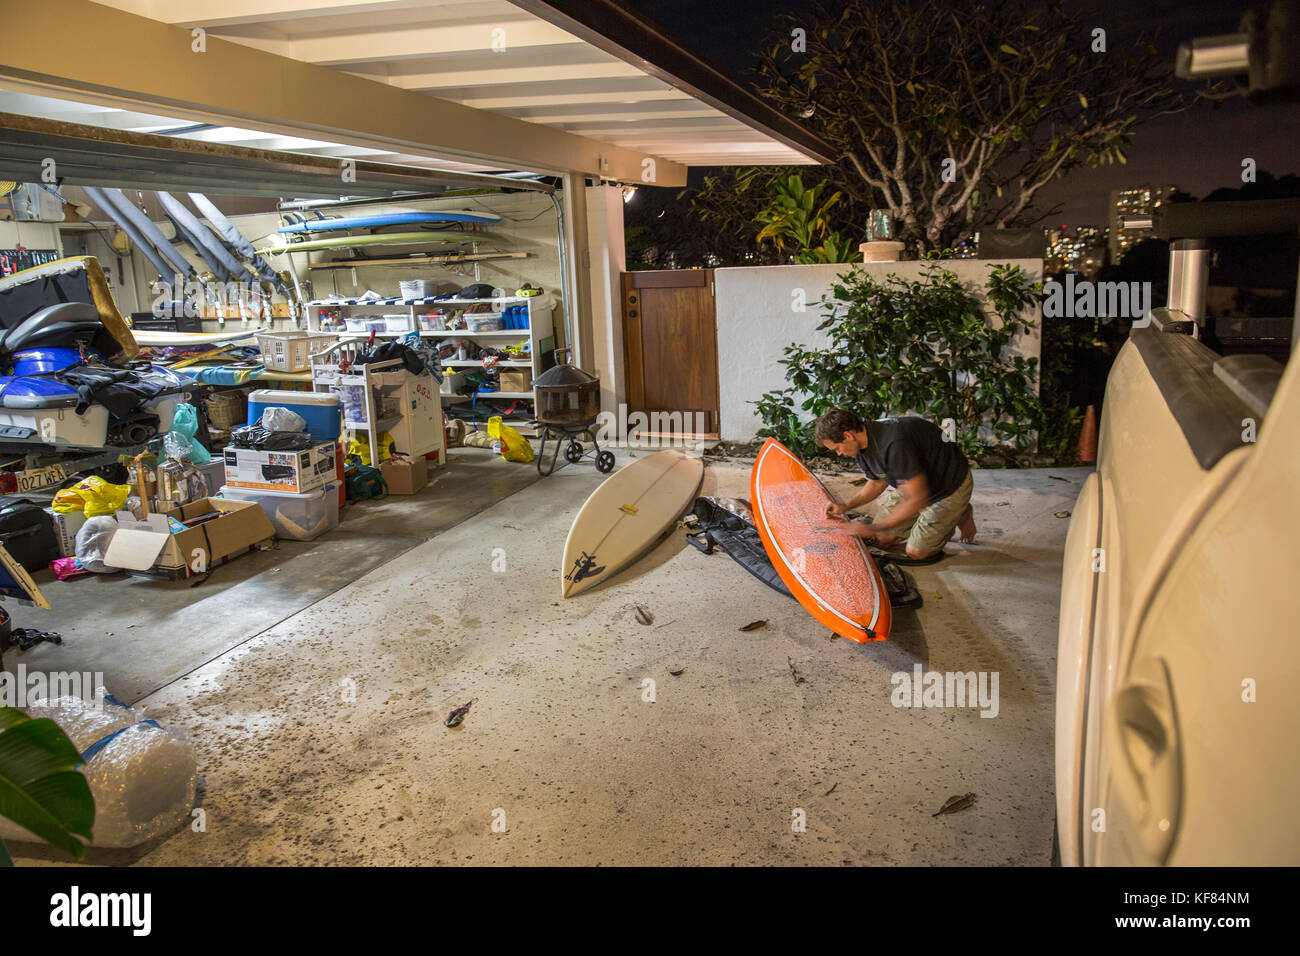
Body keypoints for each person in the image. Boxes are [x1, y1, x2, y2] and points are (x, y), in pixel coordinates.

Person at [815, 408, 976, 559]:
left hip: (949, 486)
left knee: (916, 552)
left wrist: (871, 528)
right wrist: (845, 506)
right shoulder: (862, 443)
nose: (839, 453)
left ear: (848, 435)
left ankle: (961, 512)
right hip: (915, 480)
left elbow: (917, 499)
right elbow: (877, 483)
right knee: (882, 539)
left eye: (837, 448)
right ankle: (936, 518)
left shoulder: (893, 444)